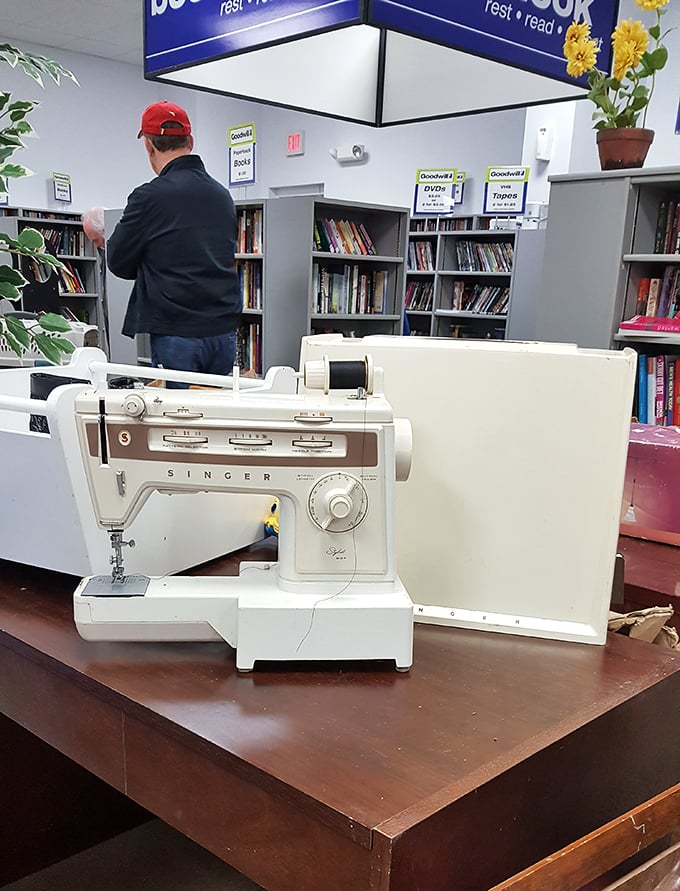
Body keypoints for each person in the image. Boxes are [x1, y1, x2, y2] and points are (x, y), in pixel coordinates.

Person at [105, 100, 241, 387]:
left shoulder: (148, 197)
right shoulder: (222, 195)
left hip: (176, 331)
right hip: (223, 331)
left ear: (148, 146)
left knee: (178, 425)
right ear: (190, 141)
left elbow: (118, 261)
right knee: (218, 419)